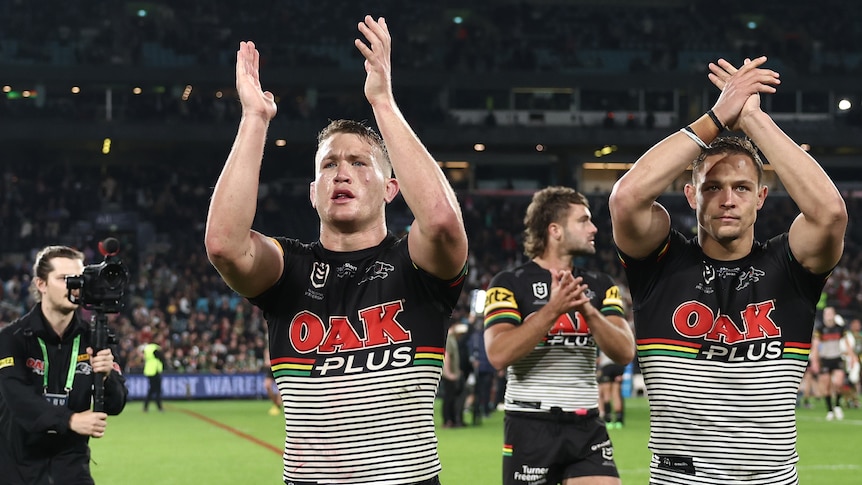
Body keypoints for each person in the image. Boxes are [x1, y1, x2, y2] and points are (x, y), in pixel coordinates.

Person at [204, 16, 468, 485]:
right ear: (312, 191)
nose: (341, 172)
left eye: (358, 162)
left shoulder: (416, 264)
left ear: (392, 188)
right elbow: (224, 245)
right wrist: (253, 119)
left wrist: (382, 101)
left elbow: (444, 222)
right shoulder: (289, 271)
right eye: (329, 164)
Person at [608, 56, 847, 484]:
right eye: (712, 188)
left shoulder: (789, 266)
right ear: (690, 195)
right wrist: (718, 116)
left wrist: (752, 118)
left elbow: (830, 214)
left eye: (741, 188)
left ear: (761, 197)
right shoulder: (659, 263)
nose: (727, 199)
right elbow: (626, 199)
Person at [483, 186, 635, 485]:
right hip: (530, 425)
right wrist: (553, 309)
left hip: (586, 422)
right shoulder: (509, 283)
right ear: (555, 230)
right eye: (584, 220)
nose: (594, 228)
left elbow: (625, 351)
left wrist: (588, 311)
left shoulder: (601, 284)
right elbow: (498, 354)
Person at [0, 246, 128, 484]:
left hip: (71, 471)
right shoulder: (11, 338)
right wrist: (70, 420)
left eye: (78, 278)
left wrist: (108, 377)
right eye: (63, 278)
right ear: (41, 284)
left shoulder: (95, 337)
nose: (74, 285)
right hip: (17, 470)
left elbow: (117, 404)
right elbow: (16, 397)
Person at [811, 306, 855, 420]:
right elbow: (815, 346)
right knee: (826, 385)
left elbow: (847, 344)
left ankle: (837, 406)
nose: (828, 316)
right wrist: (814, 361)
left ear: (834, 315)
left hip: (837, 358)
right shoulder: (820, 329)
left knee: (838, 383)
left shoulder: (840, 328)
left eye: (830, 313)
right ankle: (830, 410)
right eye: (826, 313)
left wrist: (852, 357)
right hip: (825, 359)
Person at [597, 349, 625, 429]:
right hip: (618, 366)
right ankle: (619, 420)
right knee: (616, 394)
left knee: (607, 395)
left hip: (607, 367)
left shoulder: (602, 340)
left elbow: (598, 359)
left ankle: (608, 420)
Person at [142, 337, 165, 412]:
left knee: (152, 390)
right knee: (157, 390)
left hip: (149, 371)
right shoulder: (156, 348)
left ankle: (146, 406)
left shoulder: (147, 348)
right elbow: (161, 357)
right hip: (155, 371)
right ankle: (159, 407)